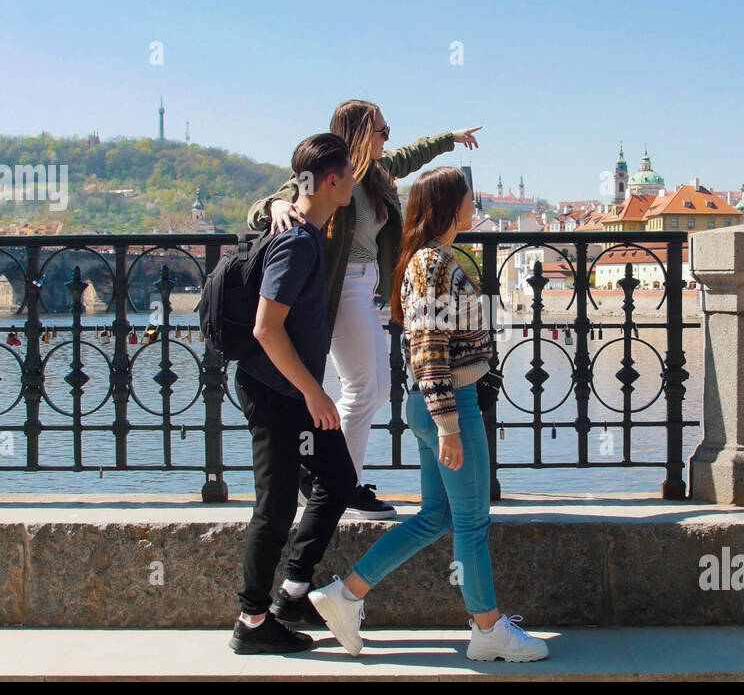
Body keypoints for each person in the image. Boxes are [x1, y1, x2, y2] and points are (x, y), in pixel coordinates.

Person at [309, 166, 549, 663]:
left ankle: (346, 594)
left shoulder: (425, 260)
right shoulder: (434, 263)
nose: (473, 206)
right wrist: (449, 426)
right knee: (472, 522)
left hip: (432, 403)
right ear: (448, 206)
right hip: (450, 404)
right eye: (467, 198)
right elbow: (428, 345)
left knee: (435, 517)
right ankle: (489, 630)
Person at [248, 100, 481, 520]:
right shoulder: (332, 171)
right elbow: (279, 200)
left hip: (366, 290)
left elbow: (413, 154)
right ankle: (336, 484)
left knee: (372, 390)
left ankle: (328, 477)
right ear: (359, 132)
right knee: (363, 389)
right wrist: (274, 207)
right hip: (340, 291)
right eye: (381, 130)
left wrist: (450, 139)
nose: (387, 137)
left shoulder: (374, 172)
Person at [229, 133, 360, 655]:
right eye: (348, 174)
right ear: (331, 181)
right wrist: (315, 393)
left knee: (338, 478)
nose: (352, 181)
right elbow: (266, 328)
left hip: (293, 389)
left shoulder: (310, 231)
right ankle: (252, 621)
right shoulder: (298, 242)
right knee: (275, 505)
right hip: (275, 390)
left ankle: (294, 591)